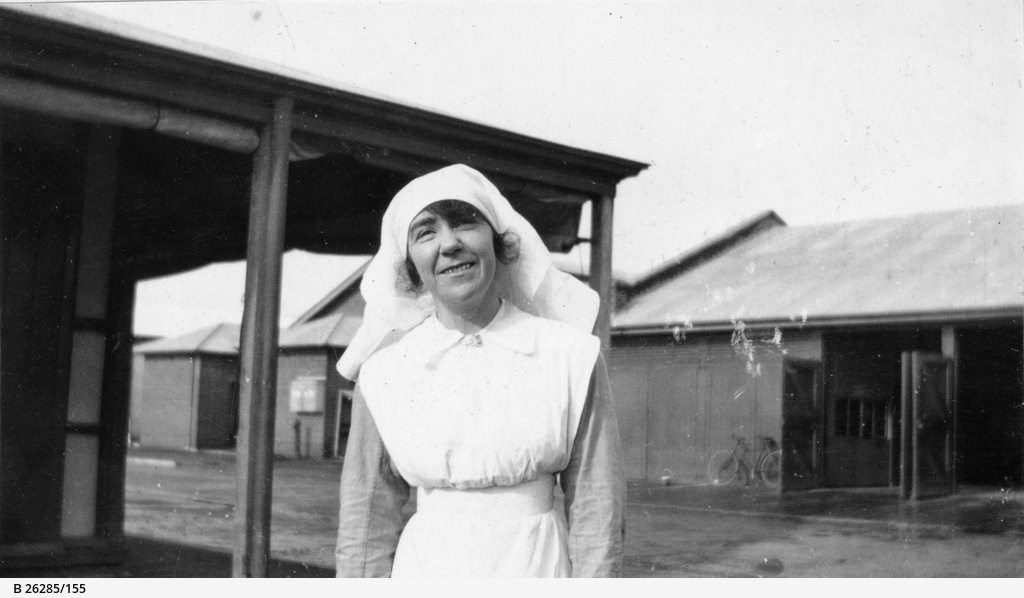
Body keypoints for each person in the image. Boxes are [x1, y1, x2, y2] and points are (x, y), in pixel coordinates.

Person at [334, 164, 625, 577]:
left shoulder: (570, 355)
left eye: (465, 222)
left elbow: (598, 511)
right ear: (410, 265)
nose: (449, 244)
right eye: (426, 232)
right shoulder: (383, 373)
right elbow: (365, 520)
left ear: (499, 241)